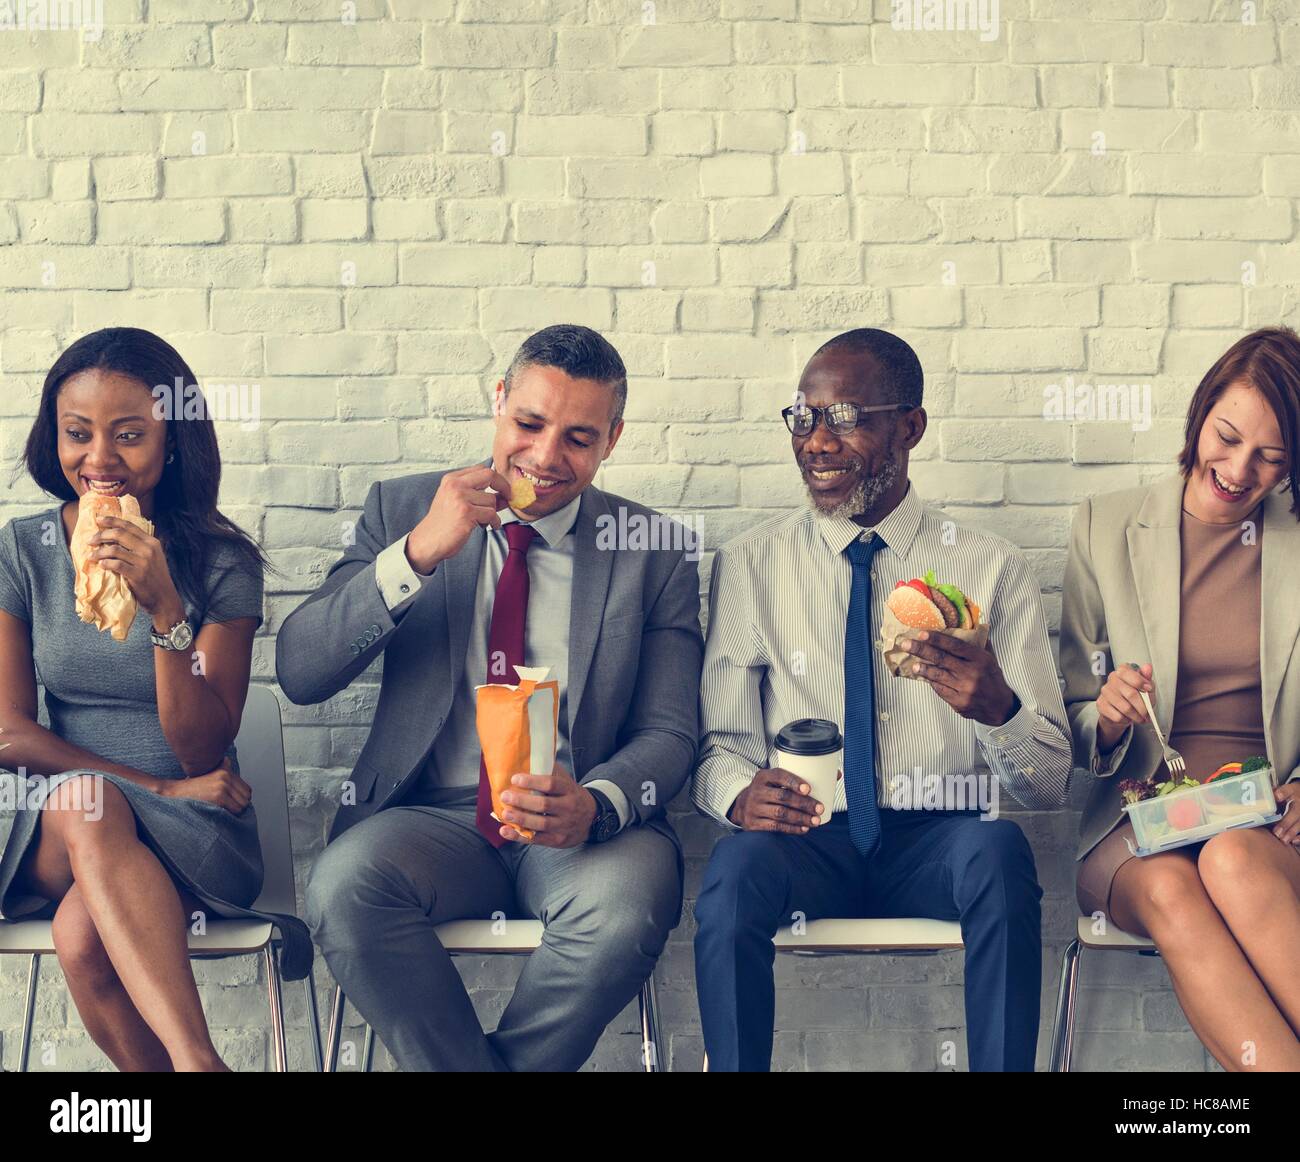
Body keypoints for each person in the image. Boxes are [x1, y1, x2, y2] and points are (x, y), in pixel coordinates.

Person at [277, 323, 702, 1071]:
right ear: (498, 401)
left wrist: (598, 803)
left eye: (578, 437)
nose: (544, 457)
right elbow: (302, 673)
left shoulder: (653, 548)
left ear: (614, 438)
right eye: (529, 424)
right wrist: (414, 556)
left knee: (623, 912)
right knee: (344, 888)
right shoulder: (404, 508)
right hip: (429, 818)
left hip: (580, 826)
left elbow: (671, 733)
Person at [692, 327, 1071, 1072]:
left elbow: (1051, 781)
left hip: (938, 841)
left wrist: (998, 709)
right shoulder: (751, 564)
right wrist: (740, 796)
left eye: (846, 417)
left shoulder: (991, 568)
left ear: (910, 427)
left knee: (1001, 851)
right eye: (803, 418)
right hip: (806, 839)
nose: (817, 442)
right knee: (733, 872)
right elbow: (717, 748)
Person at [0, 328, 303, 1072]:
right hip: (62, 825)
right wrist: (154, 782)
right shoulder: (21, 550)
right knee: (86, 803)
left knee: (81, 936)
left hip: (198, 826)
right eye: (77, 435)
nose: (99, 461)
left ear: (174, 444)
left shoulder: (222, 562)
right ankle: (203, 1063)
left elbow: (202, 747)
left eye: (129, 437)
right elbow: (7, 733)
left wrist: (167, 609)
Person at [1062, 326, 1300, 1071]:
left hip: (1267, 825)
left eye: (1269, 457)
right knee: (1171, 885)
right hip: (1137, 824)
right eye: (1226, 438)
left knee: (1229, 859)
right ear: (1199, 417)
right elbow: (1067, 719)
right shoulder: (1104, 526)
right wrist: (1104, 713)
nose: (1237, 470)